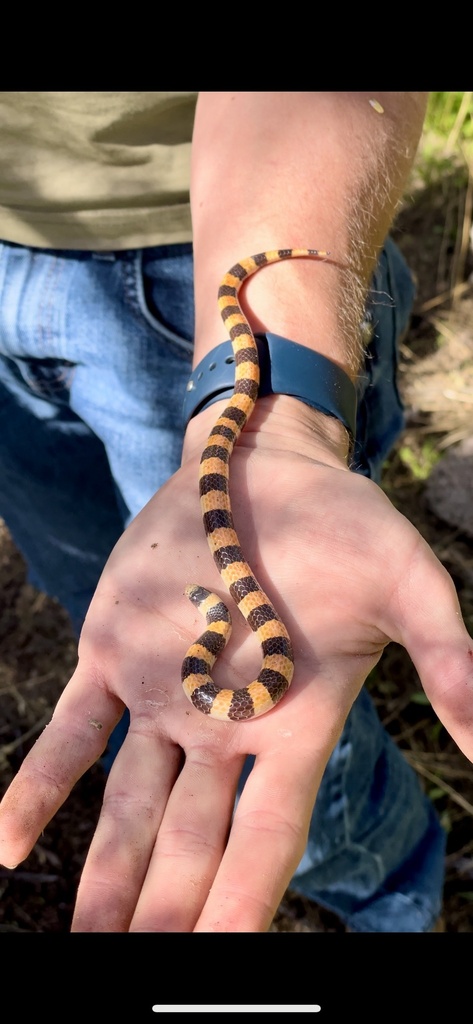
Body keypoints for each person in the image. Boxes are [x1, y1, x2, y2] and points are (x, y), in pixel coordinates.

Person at [0, 91, 470, 933]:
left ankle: (392, 898)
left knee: (305, 777)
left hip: (196, 238)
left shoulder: (228, 641)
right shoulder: (221, 632)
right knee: (88, 582)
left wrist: (285, 419)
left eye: (211, 612)